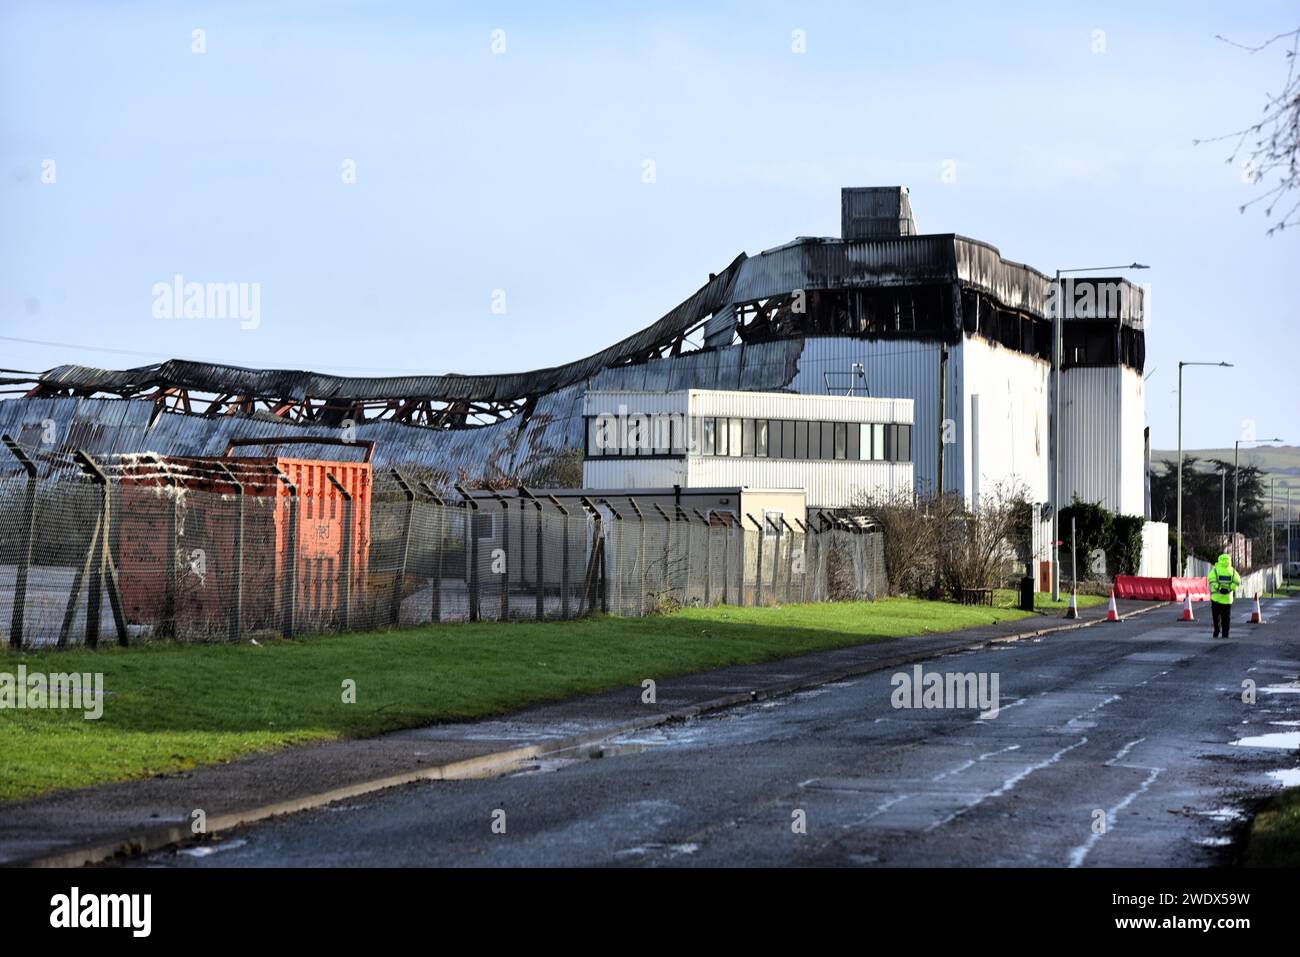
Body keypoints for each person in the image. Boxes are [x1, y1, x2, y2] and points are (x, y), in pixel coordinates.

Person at [1209, 552, 1242, 638]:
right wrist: (1230, 588)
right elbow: (1237, 582)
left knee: (1216, 616)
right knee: (1226, 617)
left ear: (1219, 560)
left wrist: (1218, 588)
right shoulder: (1233, 571)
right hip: (1227, 599)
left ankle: (1216, 629)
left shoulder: (1215, 570)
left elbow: (1211, 580)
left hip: (1216, 597)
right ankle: (1225, 632)